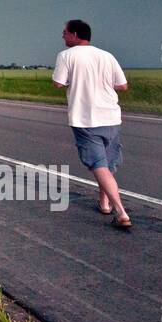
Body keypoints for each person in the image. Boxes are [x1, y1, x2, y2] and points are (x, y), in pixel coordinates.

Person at [52, 20, 132, 230]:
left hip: (86, 118)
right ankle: (104, 203)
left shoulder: (66, 56)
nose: (63, 36)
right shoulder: (107, 55)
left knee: (98, 165)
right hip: (112, 117)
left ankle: (121, 211)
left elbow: (59, 83)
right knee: (107, 165)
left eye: (65, 33)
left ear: (75, 34)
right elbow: (123, 86)